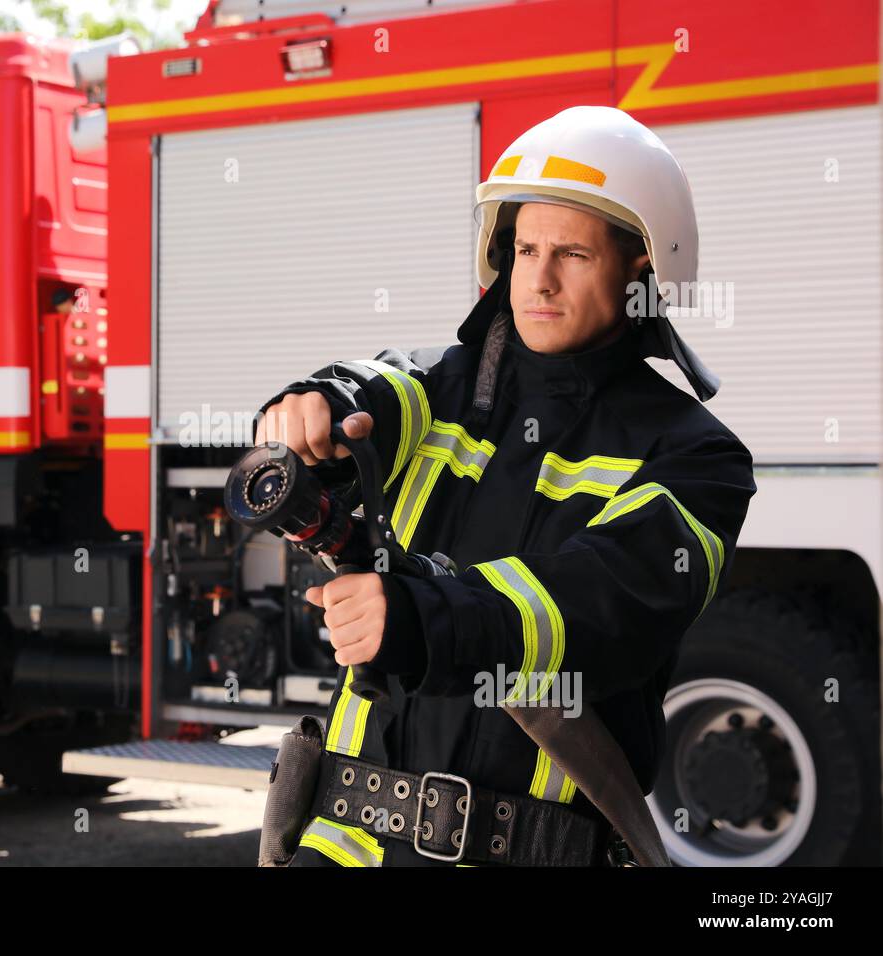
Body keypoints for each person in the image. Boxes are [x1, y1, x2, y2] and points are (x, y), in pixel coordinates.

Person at [255, 105, 757, 867]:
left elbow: (598, 609)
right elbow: (372, 388)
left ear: (641, 270)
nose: (541, 279)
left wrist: (425, 620)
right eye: (525, 248)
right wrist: (312, 413)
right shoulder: (440, 389)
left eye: (574, 255)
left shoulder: (697, 458)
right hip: (341, 847)